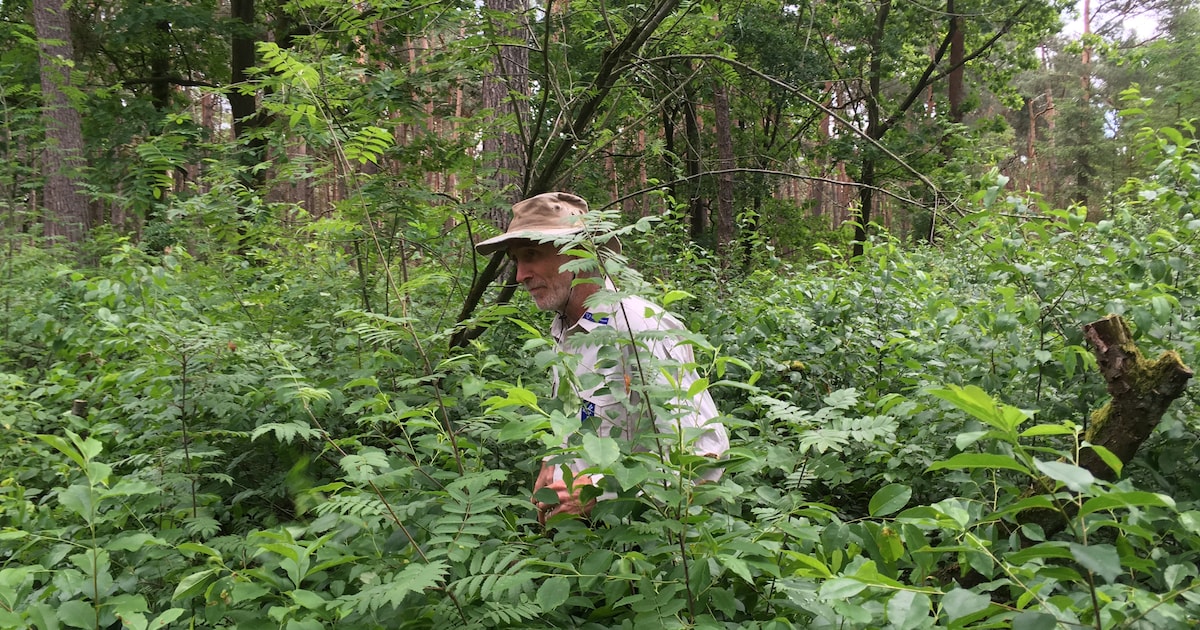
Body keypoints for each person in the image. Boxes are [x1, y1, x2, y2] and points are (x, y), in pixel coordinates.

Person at [475, 192, 729, 524]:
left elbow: (704, 454)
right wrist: (553, 463)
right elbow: (577, 418)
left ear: (579, 252)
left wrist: (601, 495)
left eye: (532, 255)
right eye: (517, 259)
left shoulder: (638, 327)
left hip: (643, 549)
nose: (521, 274)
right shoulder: (565, 327)